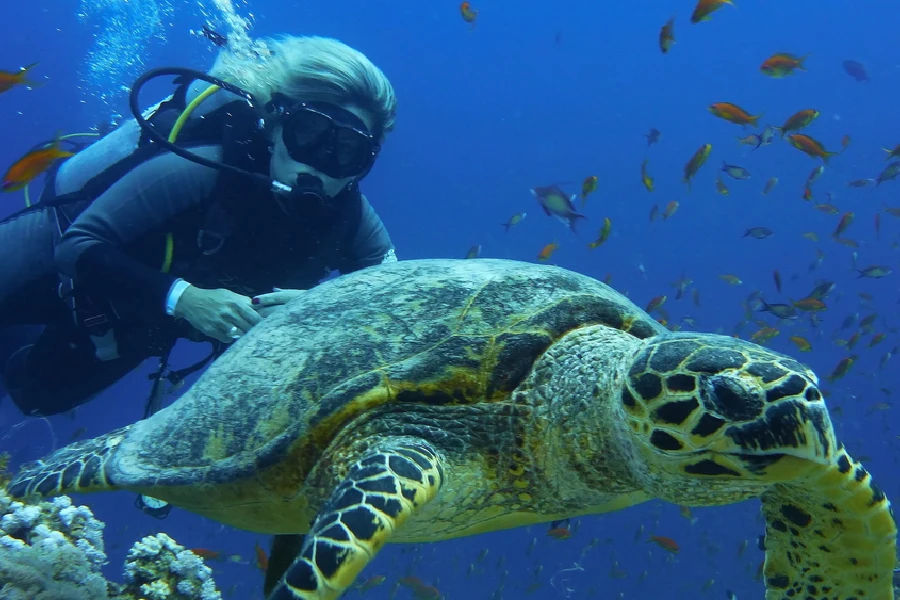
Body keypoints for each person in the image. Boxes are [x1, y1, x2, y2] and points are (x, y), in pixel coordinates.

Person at [0, 35, 399, 418]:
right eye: (307, 134)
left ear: (366, 164)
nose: (317, 163)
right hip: (58, 240)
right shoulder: (203, 169)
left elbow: (394, 305)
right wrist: (185, 299)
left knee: (35, 397)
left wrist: (319, 310)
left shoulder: (355, 223)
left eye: (347, 151)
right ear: (275, 127)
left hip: (125, 316)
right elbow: (75, 246)